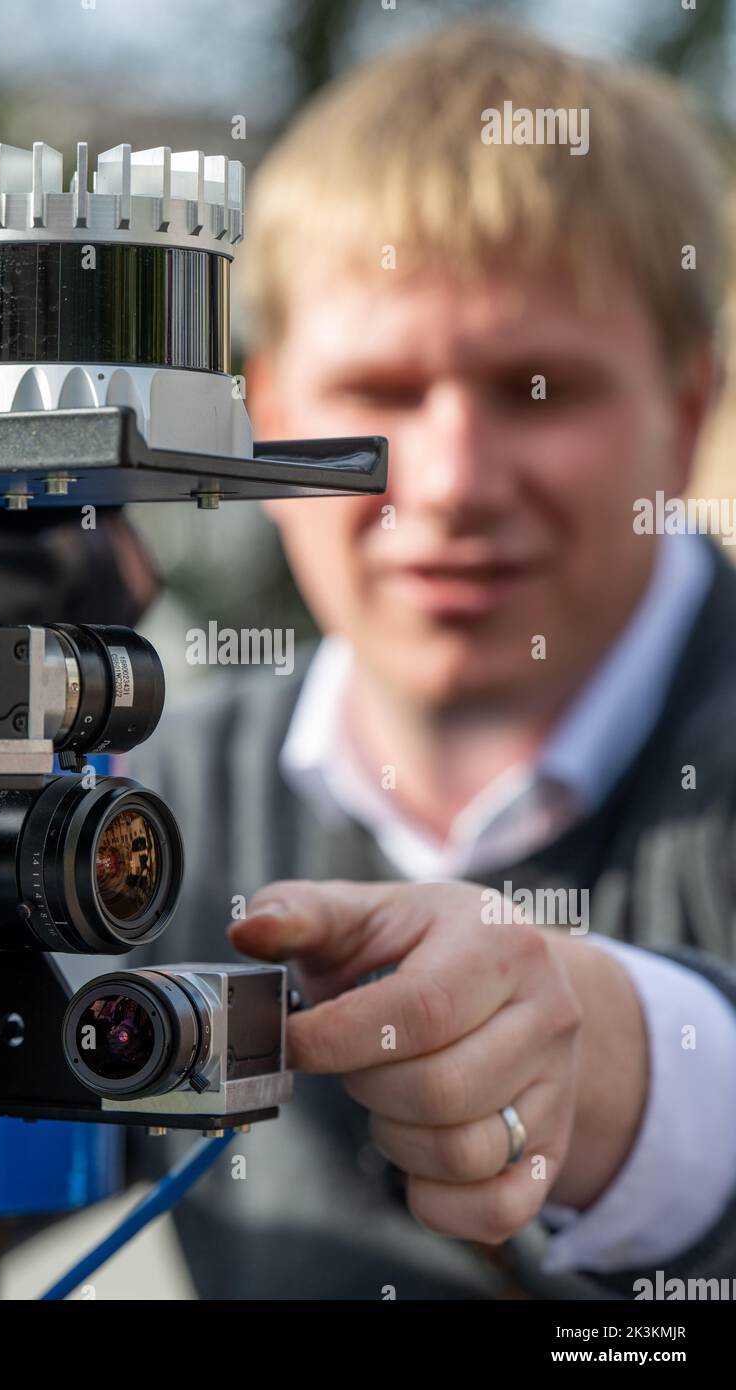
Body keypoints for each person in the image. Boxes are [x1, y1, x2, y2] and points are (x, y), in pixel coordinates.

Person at [124, 22, 736, 1300]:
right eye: (383, 392)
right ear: (265, 416)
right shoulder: (142, 796)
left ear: (686, 412)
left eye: (537, 389)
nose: (448, 482)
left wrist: (627, 1064)